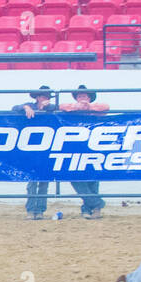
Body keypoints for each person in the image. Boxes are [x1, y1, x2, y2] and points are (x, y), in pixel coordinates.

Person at [56, 85, 107, 219]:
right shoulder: (71, 109)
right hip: (75, 147)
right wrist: (76, 107)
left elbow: (105, 107)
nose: (82, 98)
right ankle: (97, 204)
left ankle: (90, 209)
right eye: (79, 96)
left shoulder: (96, 109)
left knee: (92, 178)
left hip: (93, 146)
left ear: (89, 98)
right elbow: (60, 106)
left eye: (84, 96)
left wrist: (88, 107)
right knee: (75, 177)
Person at [13, 86, 58, 220]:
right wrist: (26, 108)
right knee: (32, 181)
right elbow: (15, 107)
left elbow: (59, 109)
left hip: (47, 146)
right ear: (37, 97)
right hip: (32, 147)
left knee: (44, 181)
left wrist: (47, 108)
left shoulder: (52, 108)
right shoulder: (29, 106)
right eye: (43, 96)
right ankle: (31, 209)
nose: (45, 98)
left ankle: (40, 210)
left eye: (47, 96)